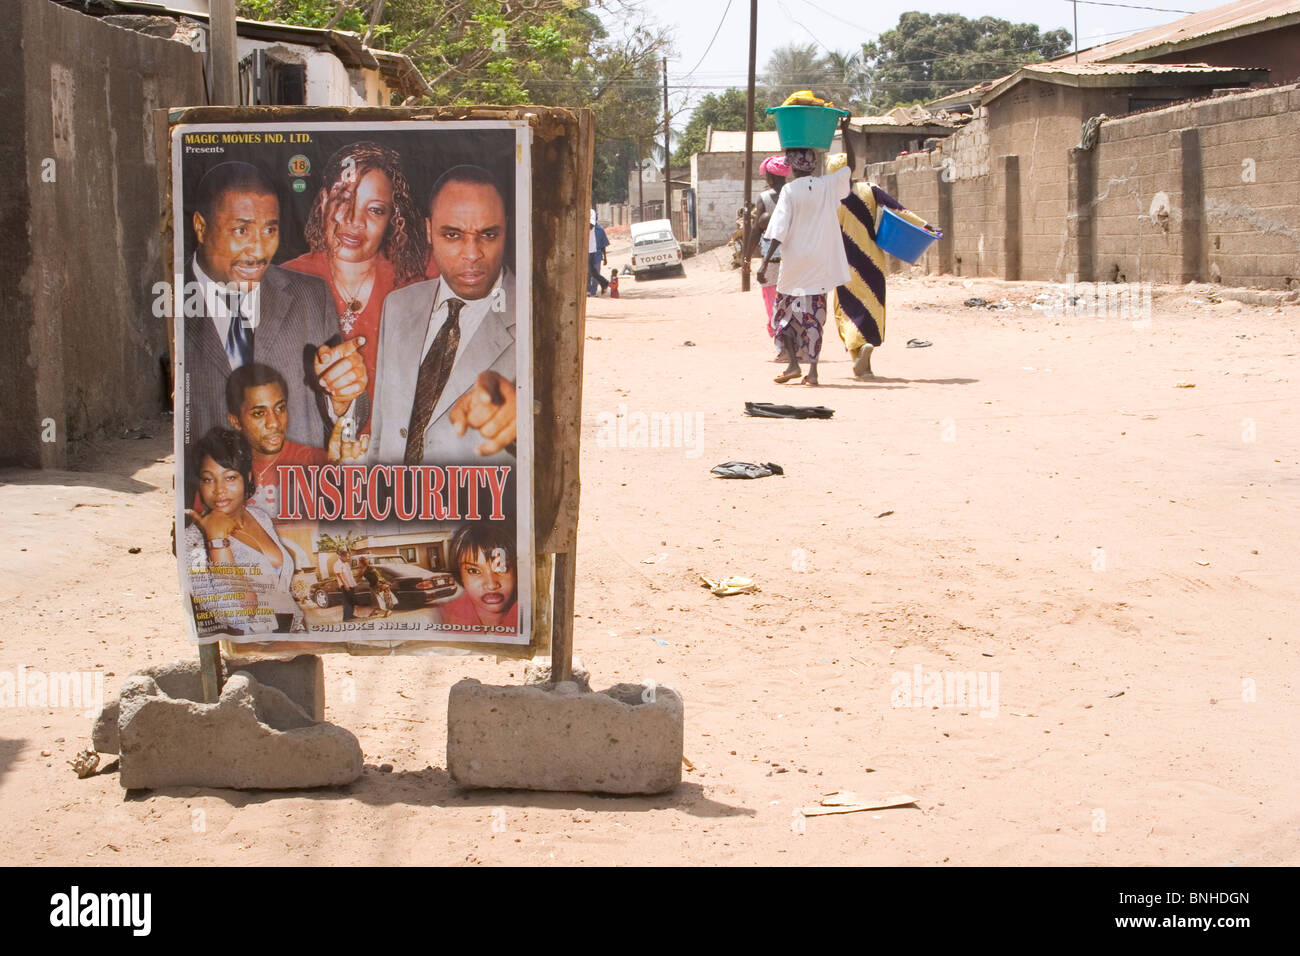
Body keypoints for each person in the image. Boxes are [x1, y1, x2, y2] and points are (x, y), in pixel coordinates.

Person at [183, 162, 368, 504]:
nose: (258, 251)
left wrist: (343, 399)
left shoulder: (310, 296)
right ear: (200, 226)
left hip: (296, 511)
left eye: (269, 230)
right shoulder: (171, 301)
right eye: (241, 230)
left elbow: (348, 420)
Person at [369, 165, 517, 468]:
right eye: (453, 235)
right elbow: (382, 431)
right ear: (428, 231)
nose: (472, 253)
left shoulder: (534, 317)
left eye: (488, 234)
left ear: (507, 230)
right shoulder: (398, 306)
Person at [284, 142, 430, 412]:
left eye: (375, 209)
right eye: (344, 200)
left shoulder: (419, 279)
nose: (355, 220)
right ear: (325, 199)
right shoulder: (284, 282)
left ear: (392, 219)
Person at [756, 118, 856, 387]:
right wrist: (845, 131)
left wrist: (764, 263)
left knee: (785, 315)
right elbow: (850, 168)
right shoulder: (825, 186)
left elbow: (778, 229)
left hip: (795, 267)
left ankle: (791, 364)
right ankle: (812, 372)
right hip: (820, 267)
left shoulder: (789, 190)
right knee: (813, 316)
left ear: (792, 167)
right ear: (813, 164)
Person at [825, 153, 938, 379]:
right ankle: (865, 360)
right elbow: (899, 210)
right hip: (871, 258)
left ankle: (858, 356)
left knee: (846, 308)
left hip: (843, 259)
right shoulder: (870, 189)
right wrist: (926, 226)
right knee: (872, 304)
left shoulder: (829, 198)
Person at [184, 427, 300, 636]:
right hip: (250, 649)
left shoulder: (259, 517)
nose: (219, 490)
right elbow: (240, 610)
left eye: (229, 478)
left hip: (294, 637)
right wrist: (217, 541)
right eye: (208, 479)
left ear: (246, 476)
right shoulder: (193, 539)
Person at [436, 522, 518, 630]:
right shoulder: (441, 616)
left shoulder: (533, 614)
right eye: (474, 571)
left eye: (502, 568)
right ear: (460, 575)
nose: (491, 585)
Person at [748, 155, 790, 345]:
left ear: (770, 177)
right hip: (793, 257)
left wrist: (746, 258)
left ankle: (780, 342)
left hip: (771, 260)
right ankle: (793, 341)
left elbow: (756, 230)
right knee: (792, 302)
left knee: (772, 301)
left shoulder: (764, 198)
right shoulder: (793, 194)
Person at [334, 548, 358, 622]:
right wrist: (345, 585)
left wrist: (354, 583)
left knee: (351, 600)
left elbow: (349, 575)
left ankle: (351, 615)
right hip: (345, 585)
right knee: (346, 601)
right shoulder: (337, 564)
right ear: (342, 556)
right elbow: (339, 575)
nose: (348, 558)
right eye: (347, 557)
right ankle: (346, 617)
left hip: (351, 584)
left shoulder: (346, 564)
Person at [588, 215, 610, 295]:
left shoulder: (600, 230)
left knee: (595, 272)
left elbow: (603, 245)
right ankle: (588, 291)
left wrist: (605, 258)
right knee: (588, 273)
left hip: (597, 255)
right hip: (588, 254)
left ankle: (593, 291)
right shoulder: (585, 229)